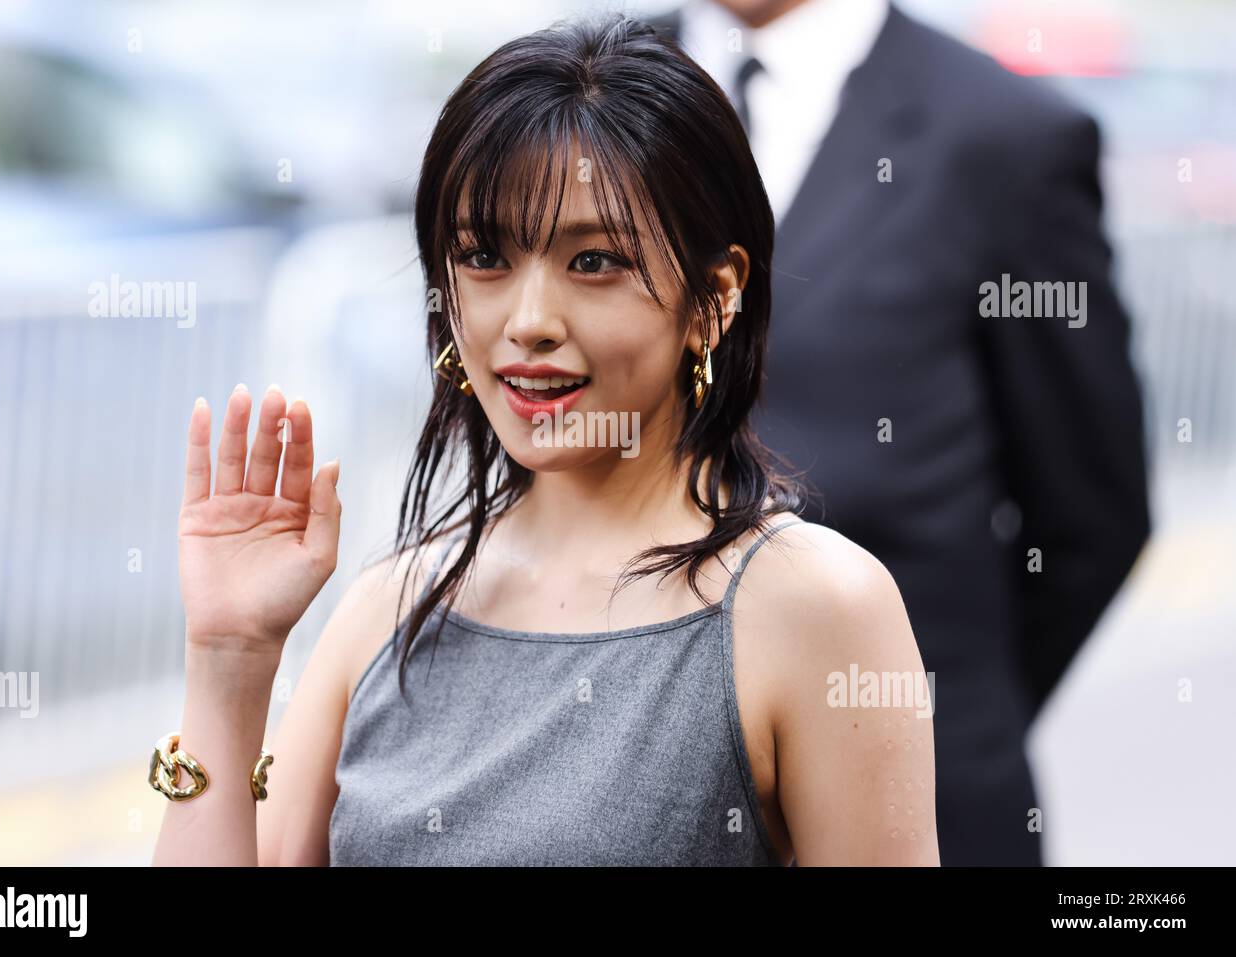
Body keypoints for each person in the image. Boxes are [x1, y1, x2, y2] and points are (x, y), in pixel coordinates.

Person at [150, 14, 939, 867]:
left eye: (594, 261)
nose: (527, 322)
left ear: (714, 298)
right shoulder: (388, 609)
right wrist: (228, 658)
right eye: (484, 256)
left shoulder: (816, 606)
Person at [648, 0, 1152, 865]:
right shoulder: (576, 94)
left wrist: (913, 717)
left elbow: (1093, 512)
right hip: (624, 806)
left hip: (929, 798)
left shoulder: (1006, 137)